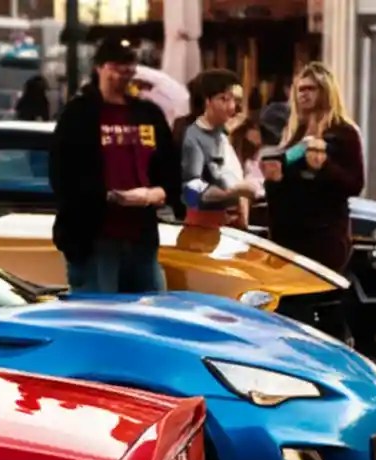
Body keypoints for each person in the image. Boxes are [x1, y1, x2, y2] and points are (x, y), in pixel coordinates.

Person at [49, 39, 178, 294]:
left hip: (142, 235)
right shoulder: (79, 113)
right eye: (117, 66)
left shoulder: (148, 113)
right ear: (100, 68)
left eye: (129, 66)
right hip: (94, 238)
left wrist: (157, 194)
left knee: (152, 309)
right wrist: (108, 197)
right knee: (100, 316)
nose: (124, 73)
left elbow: (171, 168)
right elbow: (63, 175)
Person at [261, 62, 364, 276]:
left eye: (311, 89)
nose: (304, 94)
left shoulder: (343, 133)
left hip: (324, 237)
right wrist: (273, 180)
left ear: (325, 92)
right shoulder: (293, 135)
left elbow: (355, 184)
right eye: (301, 89)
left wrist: (324, 166)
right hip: (288, 238)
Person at [181, 69, 260, 229]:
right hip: (204, 230)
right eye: (224, 99)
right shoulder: (193, 136)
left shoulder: (222, 136)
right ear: (206, 101)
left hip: (230, 229)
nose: (232, 107)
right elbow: (190, 194)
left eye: (235, 100)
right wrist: (233, 191)